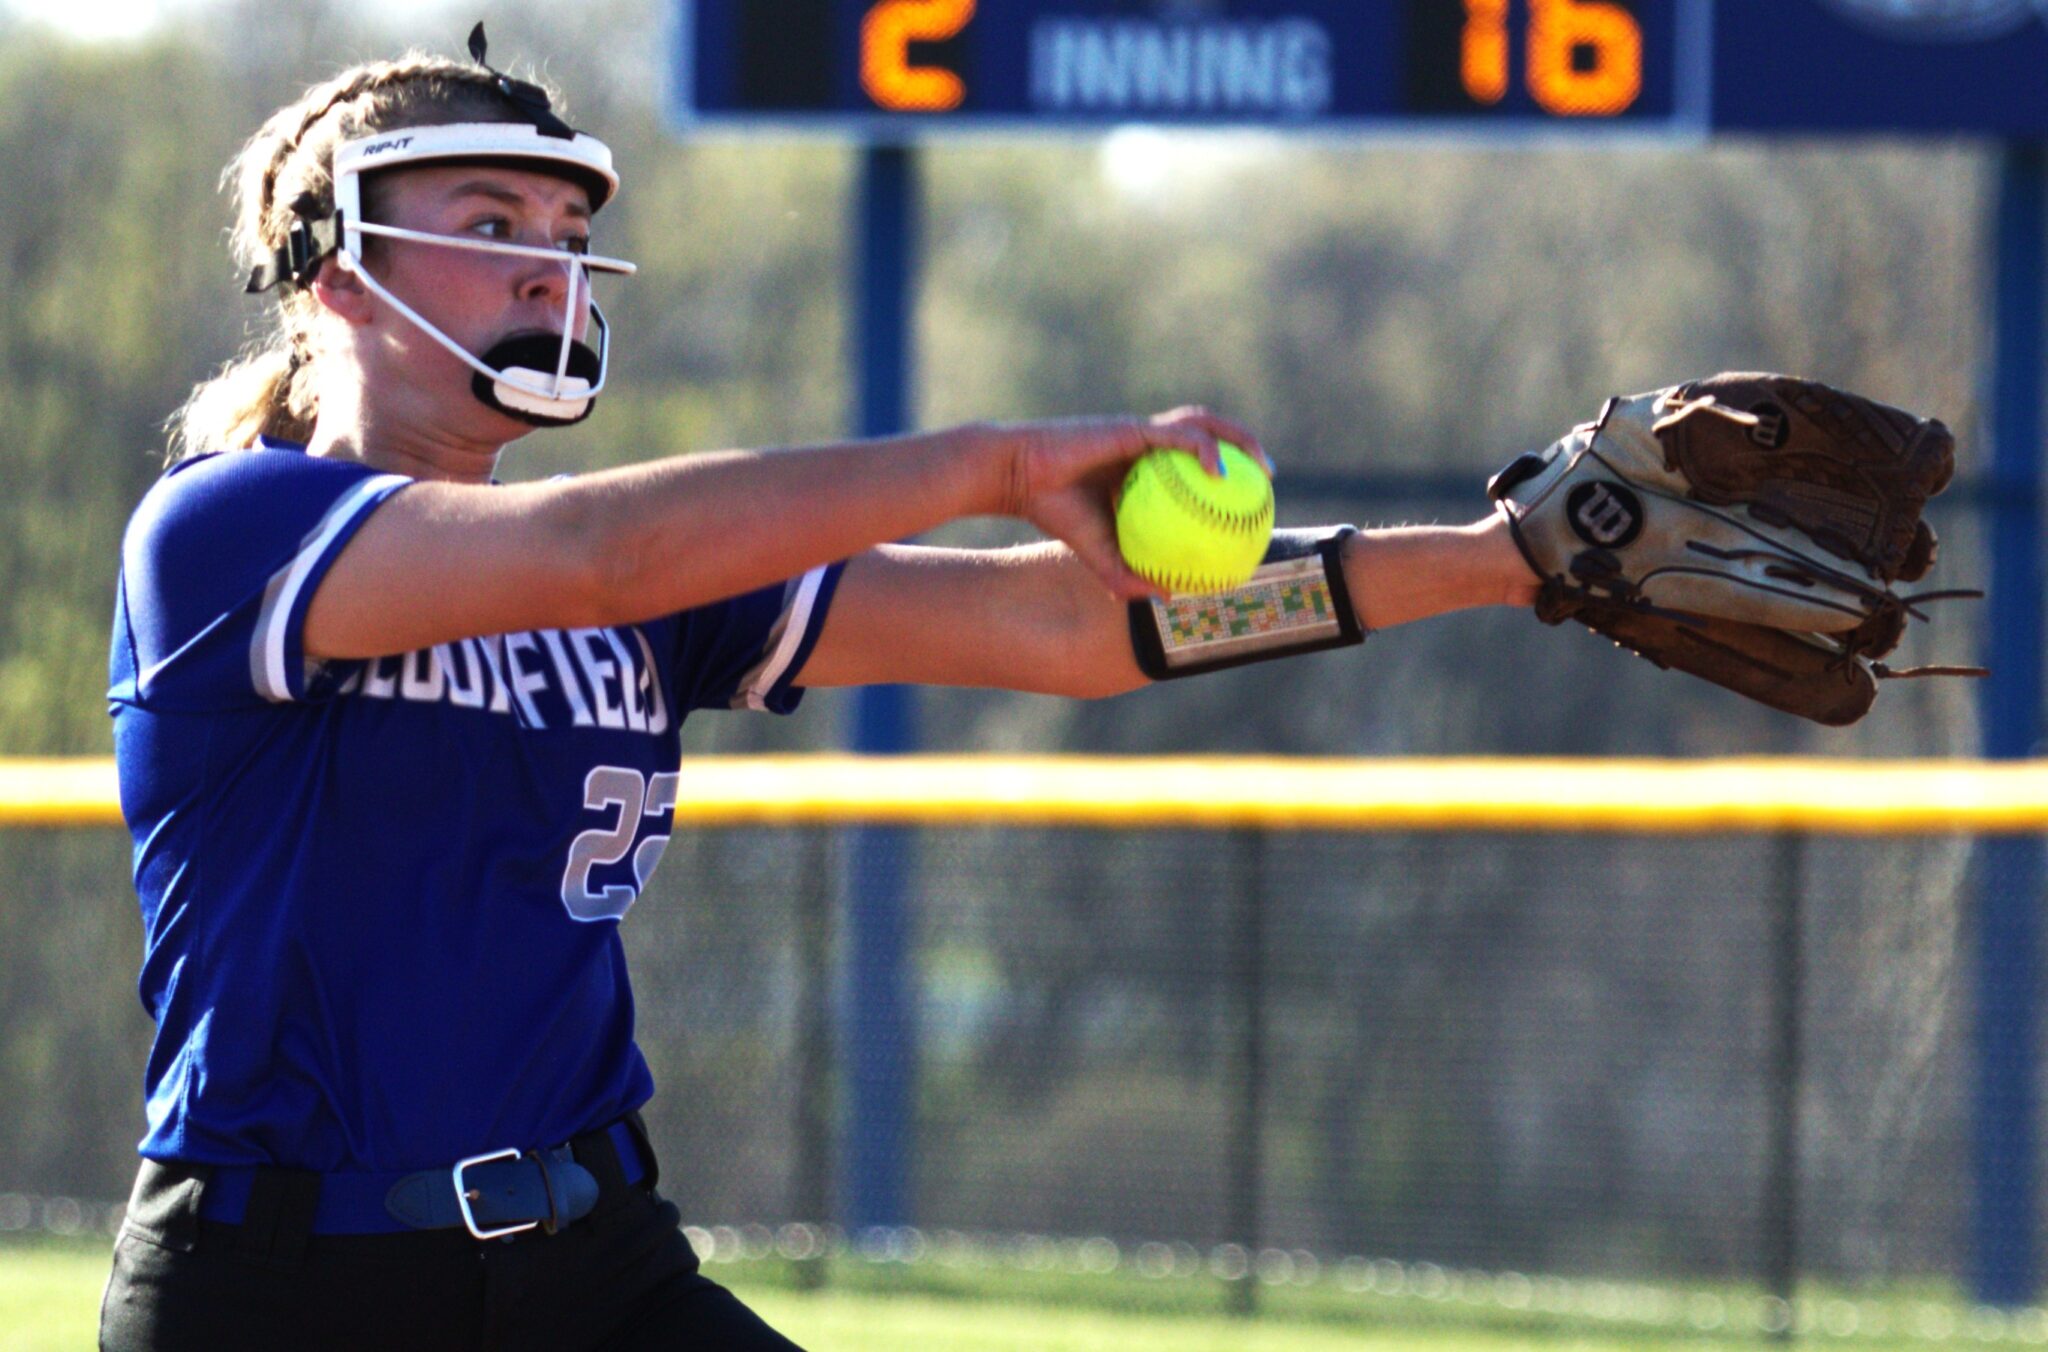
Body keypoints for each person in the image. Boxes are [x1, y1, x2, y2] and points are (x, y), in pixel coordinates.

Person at [99, 30, 1536, 1352]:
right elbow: (599, 555)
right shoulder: (227, 531)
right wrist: (999, 463)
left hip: (596, 1268)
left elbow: (1065, 630)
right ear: (337, 272)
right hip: (286, 1288)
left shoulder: (649, 577)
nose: (554, 268)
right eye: (491, 226)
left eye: (572, 234)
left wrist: (1504, 561)